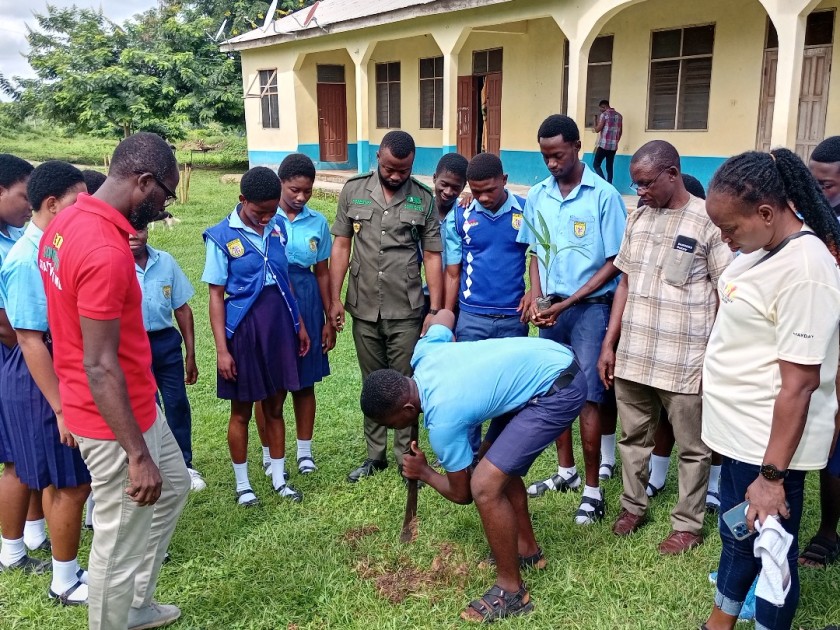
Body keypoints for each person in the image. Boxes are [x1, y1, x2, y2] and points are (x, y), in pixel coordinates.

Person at [38, 132, 191, 630]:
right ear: (143, 182)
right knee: (118, 539)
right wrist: (137, 456)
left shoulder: (64, 221)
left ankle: (135, 606)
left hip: (137, 403)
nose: (165, 206)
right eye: (166, 194)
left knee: (171, 491)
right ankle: (113, 620)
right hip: (112, 421)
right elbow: (99, 364)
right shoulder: (105, 250)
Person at [360, 309, 586, 623]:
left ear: (408, 408)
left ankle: (512, 591)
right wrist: (431, 319)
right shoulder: (424, 354)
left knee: (484, 484)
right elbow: (443, 317)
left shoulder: (442, 420)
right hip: (545, 366)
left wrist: (424, 472)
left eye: (392, 423)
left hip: (557, 387)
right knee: (494, 464)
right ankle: (527, 551)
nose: (396, 429)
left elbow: (463, 492)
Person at [700, 148, 840, 630]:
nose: (724, 238)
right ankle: (719, 622)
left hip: (768, 445)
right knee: (739, 537)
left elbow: (800, 385)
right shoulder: (762, 247)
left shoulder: (806, 271)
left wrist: (773, 476)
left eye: (730, 228)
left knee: (772, 553)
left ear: (766, 213)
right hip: (741, 438)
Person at [597, 141, 733, 554]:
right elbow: (624, 282)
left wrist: (716, 355)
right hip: (635, 353)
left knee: (694, 448)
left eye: (646, 183)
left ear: (672, 173)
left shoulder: (708, 223)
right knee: (632, 437)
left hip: (685, 360)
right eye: (635, 184)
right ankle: (632, 506)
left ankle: (688, 524)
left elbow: (726, 293)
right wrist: (609, 343)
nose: (639, 191)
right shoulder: (637, 218)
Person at [519, 114, 627, 525]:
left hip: (590, 309)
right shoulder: (538, 195)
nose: (551, 163)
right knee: (552, 389)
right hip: (551, 309)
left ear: (578, 147)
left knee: (587, 397)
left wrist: (570, 302)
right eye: (545, 156)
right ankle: (565, 472)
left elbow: (617, 260)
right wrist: (537, 297)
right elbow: (533, 251)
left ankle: (593, 492)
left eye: (558, 155)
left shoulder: (603, 196)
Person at [0, 160, 92, 604]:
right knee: (69, 480)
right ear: (52, 204)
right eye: (78, 203)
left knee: (64, 478)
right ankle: (65, 580)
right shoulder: (26, 259)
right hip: (42, 374)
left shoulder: (48, 245)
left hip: (55, 368)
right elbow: (28, 338)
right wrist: (62, 406)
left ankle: (61, 566)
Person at [330, 130, 443, 483]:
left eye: (404, 170)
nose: (396, 175)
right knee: (372, 384)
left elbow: (433, 255)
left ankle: (405, 458)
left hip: (407, 308)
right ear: (378, 156)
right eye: (391, 168)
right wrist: (333, 298)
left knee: (406, 385)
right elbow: (341, 247)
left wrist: (435, 310)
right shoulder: (353, 190)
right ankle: (374, 456)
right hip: (363, 305)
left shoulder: (423, 199)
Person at [203, 166, 310, 505]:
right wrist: (222, 350)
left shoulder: (277, 226)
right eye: (259, 211)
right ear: (242, 200)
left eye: (271, 210)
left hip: (279, 325)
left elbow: (284, 278)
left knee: (276, 407)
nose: (266, 218)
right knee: (242, 411)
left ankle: (279, 479)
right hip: (244, 330)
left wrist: (300, 324)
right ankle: (242, 484)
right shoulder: (221, 237)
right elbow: (216, 297)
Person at [443, 152, 530, 453]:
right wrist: (447, 315)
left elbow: (539, 257)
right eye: (475, 190)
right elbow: (452, 271)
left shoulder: (526, 211)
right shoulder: (461, 212)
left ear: (504, 181)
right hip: (472, 317)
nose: (482, 197)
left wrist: (534, 295)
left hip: (512, 319)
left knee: (509, 391)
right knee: (469, 389)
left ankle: (496, 455)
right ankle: (467, 455)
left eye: (489, 190)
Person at [254, 154, 334, 477]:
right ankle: (266, 451)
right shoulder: (263, 217)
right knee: (269, 384)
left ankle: (304, 452)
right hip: (271, 302)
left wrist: (329, 316)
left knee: (305, 382)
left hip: (308, 299)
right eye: (293, 189)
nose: (301, 197)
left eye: (307, 191)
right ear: (281, 183)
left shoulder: (318, 223)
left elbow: (323, 272)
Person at [0, 153, 52, 574]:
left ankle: (33, 531)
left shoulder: (11, 235)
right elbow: (7, 325)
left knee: (26, 451)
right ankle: (12, 552)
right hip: (13, 356)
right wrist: (36, 347)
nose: (27, 205)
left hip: (19, 353)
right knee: (16, 457)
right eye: (22, 196)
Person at [129, 228, 204, 492]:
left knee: (176, 403)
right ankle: (154, 464)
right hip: (132, 345)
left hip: (165, 343)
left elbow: (182, 309)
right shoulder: (115, 264)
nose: (132, 235)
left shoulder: (165, 261)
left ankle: (185, 465)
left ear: (148, 229)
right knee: (149, 408)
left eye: (138, 228)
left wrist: (190, 354)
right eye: (125, 229)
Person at [797, 135, 840, 569]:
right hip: (824, 345)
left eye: (825, 184)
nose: (816, 191)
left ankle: (829, 530)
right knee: (830, 439)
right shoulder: (811, 220)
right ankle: (828, 528)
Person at [592, 100, 623, 184]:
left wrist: (595, 120)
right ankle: (609, 184)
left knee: (596, 164)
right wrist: (616, 142)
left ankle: (604, 183)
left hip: (603, 145)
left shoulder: (604, 115)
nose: (601, 111)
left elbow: (597, 129)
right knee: (609, 167)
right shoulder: (619, 116)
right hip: (613, 146)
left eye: (601, 109)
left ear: (604, 106)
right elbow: (620, 132)